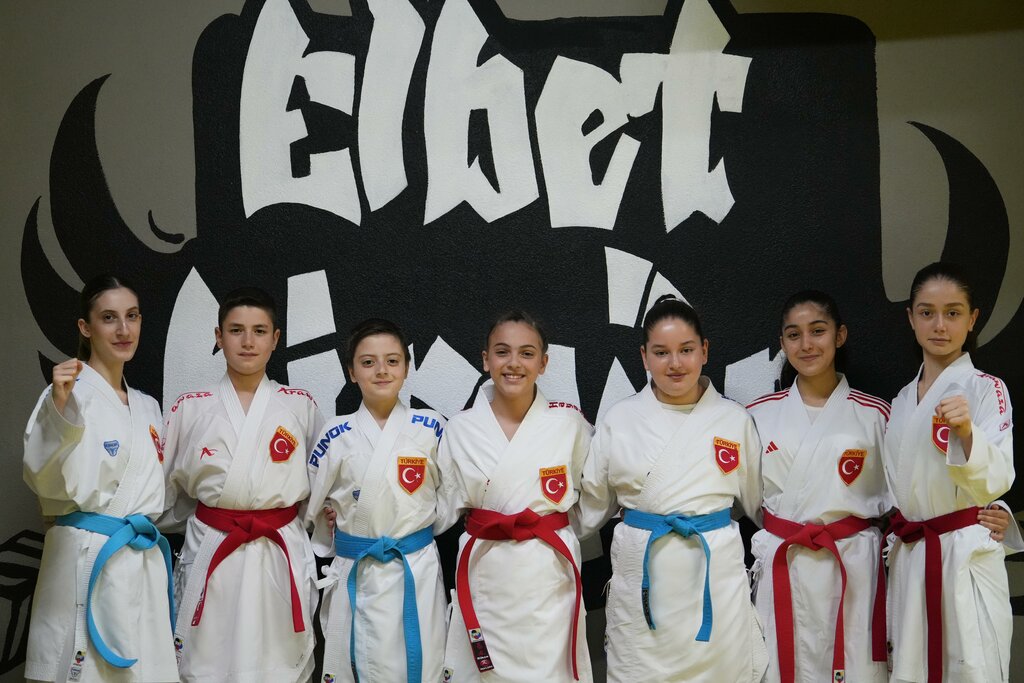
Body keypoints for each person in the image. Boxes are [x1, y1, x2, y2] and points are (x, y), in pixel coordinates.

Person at [574, 295, 766, 682]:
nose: (675, 363)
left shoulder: (734, 420)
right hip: (643, 583)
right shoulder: (620, 419)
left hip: (713, 579)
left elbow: (755, 505)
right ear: (644, 357)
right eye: (661, 352)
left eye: (686, 350)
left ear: (705, 351)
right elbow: (592, 507)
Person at [160, 287, 323, 682]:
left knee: (279, 661)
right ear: (219, 337)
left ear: (275, 339)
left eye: (259, 331)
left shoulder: (300, 404)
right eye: (236, 330)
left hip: (278, 546)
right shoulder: (190, 406)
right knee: (204, 662)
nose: (248, 341)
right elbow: (163, 493)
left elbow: (320, 488)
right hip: (213, 546)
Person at [23, 274, 178, 682]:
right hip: (85, 556)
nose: (124, 330)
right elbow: (44, 478)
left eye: (132, 316)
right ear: (85, 327)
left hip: (140, 559)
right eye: (109, 318)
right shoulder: (67, 394)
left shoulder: (147, 406)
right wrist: (59, 407)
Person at [437, 311, 594, 682]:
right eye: (502, 352)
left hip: (548, 573)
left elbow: (594, 496)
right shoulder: (460, 428)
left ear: (544, 362)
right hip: (485, 572)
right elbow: (439, 507)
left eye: (526, 353)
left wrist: (564, 532)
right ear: (486, 359)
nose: (513, 364)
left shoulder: (568, 424)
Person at [746, 290, 891, 683]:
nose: (806, 344)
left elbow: (910, 493)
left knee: (854, 665)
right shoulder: (757, 415)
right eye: (793, 335)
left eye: (818, 331)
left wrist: (984, 514)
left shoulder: (876, 415)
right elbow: (740, 496)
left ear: (839, 336)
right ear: (782, 344)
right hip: (784, 562)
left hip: (851, 567)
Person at [882, 262, 1015, 683]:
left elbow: (997, 478)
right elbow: (894, 490)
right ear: (911, 318)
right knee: (912, 669)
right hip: (912, 555)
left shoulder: (984, 387)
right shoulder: (901, 400)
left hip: (963, 555)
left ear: (973, 319)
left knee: (971, 667)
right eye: (927, 312)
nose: (940, 325)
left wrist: (965, 431)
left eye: (953, 312)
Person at [306, 318, 448, 683]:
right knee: (360, 663)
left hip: (415, 564)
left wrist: (418, 531)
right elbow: (311, 501)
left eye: (392, 360)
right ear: (351, 372)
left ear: (406, 367)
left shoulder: (431, 426)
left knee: (423, 662)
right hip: (359, 565)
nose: (381, 370)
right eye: (368, 362)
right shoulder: (335, 433)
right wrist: (332, 526)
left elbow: (452, 498)